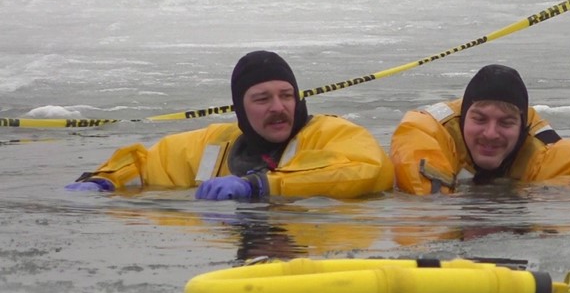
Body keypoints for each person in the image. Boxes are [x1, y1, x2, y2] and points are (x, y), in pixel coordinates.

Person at [65, 50, 395, 200]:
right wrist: (105, 181)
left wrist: (262, 186)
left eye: (286, 95)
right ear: (240, 109)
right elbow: (149, 163)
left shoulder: (334, 133)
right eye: (262, 99)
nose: (278, 108)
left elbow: (367, 169)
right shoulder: (217, 143)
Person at [388, 63, 570, 194]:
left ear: (522, 128)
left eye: (505, 123)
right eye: (479, 119)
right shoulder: (429, 135)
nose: (491, 134)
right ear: (462, 118)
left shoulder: (544, 153)